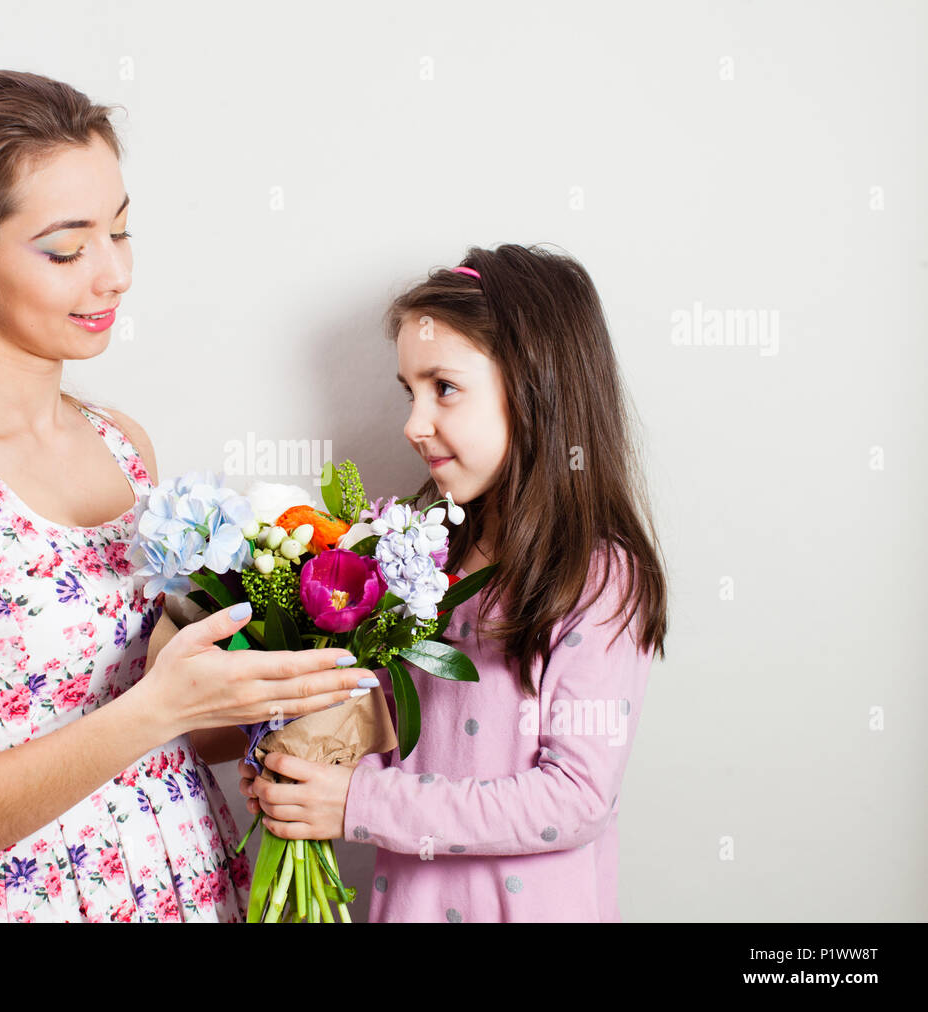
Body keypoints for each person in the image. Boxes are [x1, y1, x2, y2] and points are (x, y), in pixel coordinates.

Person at [0, 69, 372, 922]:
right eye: (68, 249)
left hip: (187, 881)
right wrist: (159, 710)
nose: (114, 275)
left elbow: (167, 726)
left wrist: (297, 687)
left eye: (121, 231)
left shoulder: (122, 444)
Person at [239, 244, 669, 921]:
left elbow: (576, 798)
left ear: (536, 390)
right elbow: (395, 734)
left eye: (444, 388)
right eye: (410, 393)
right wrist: (304, 770)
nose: (413, 424)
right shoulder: (424, 559)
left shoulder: (598, 579)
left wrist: (355, 804)